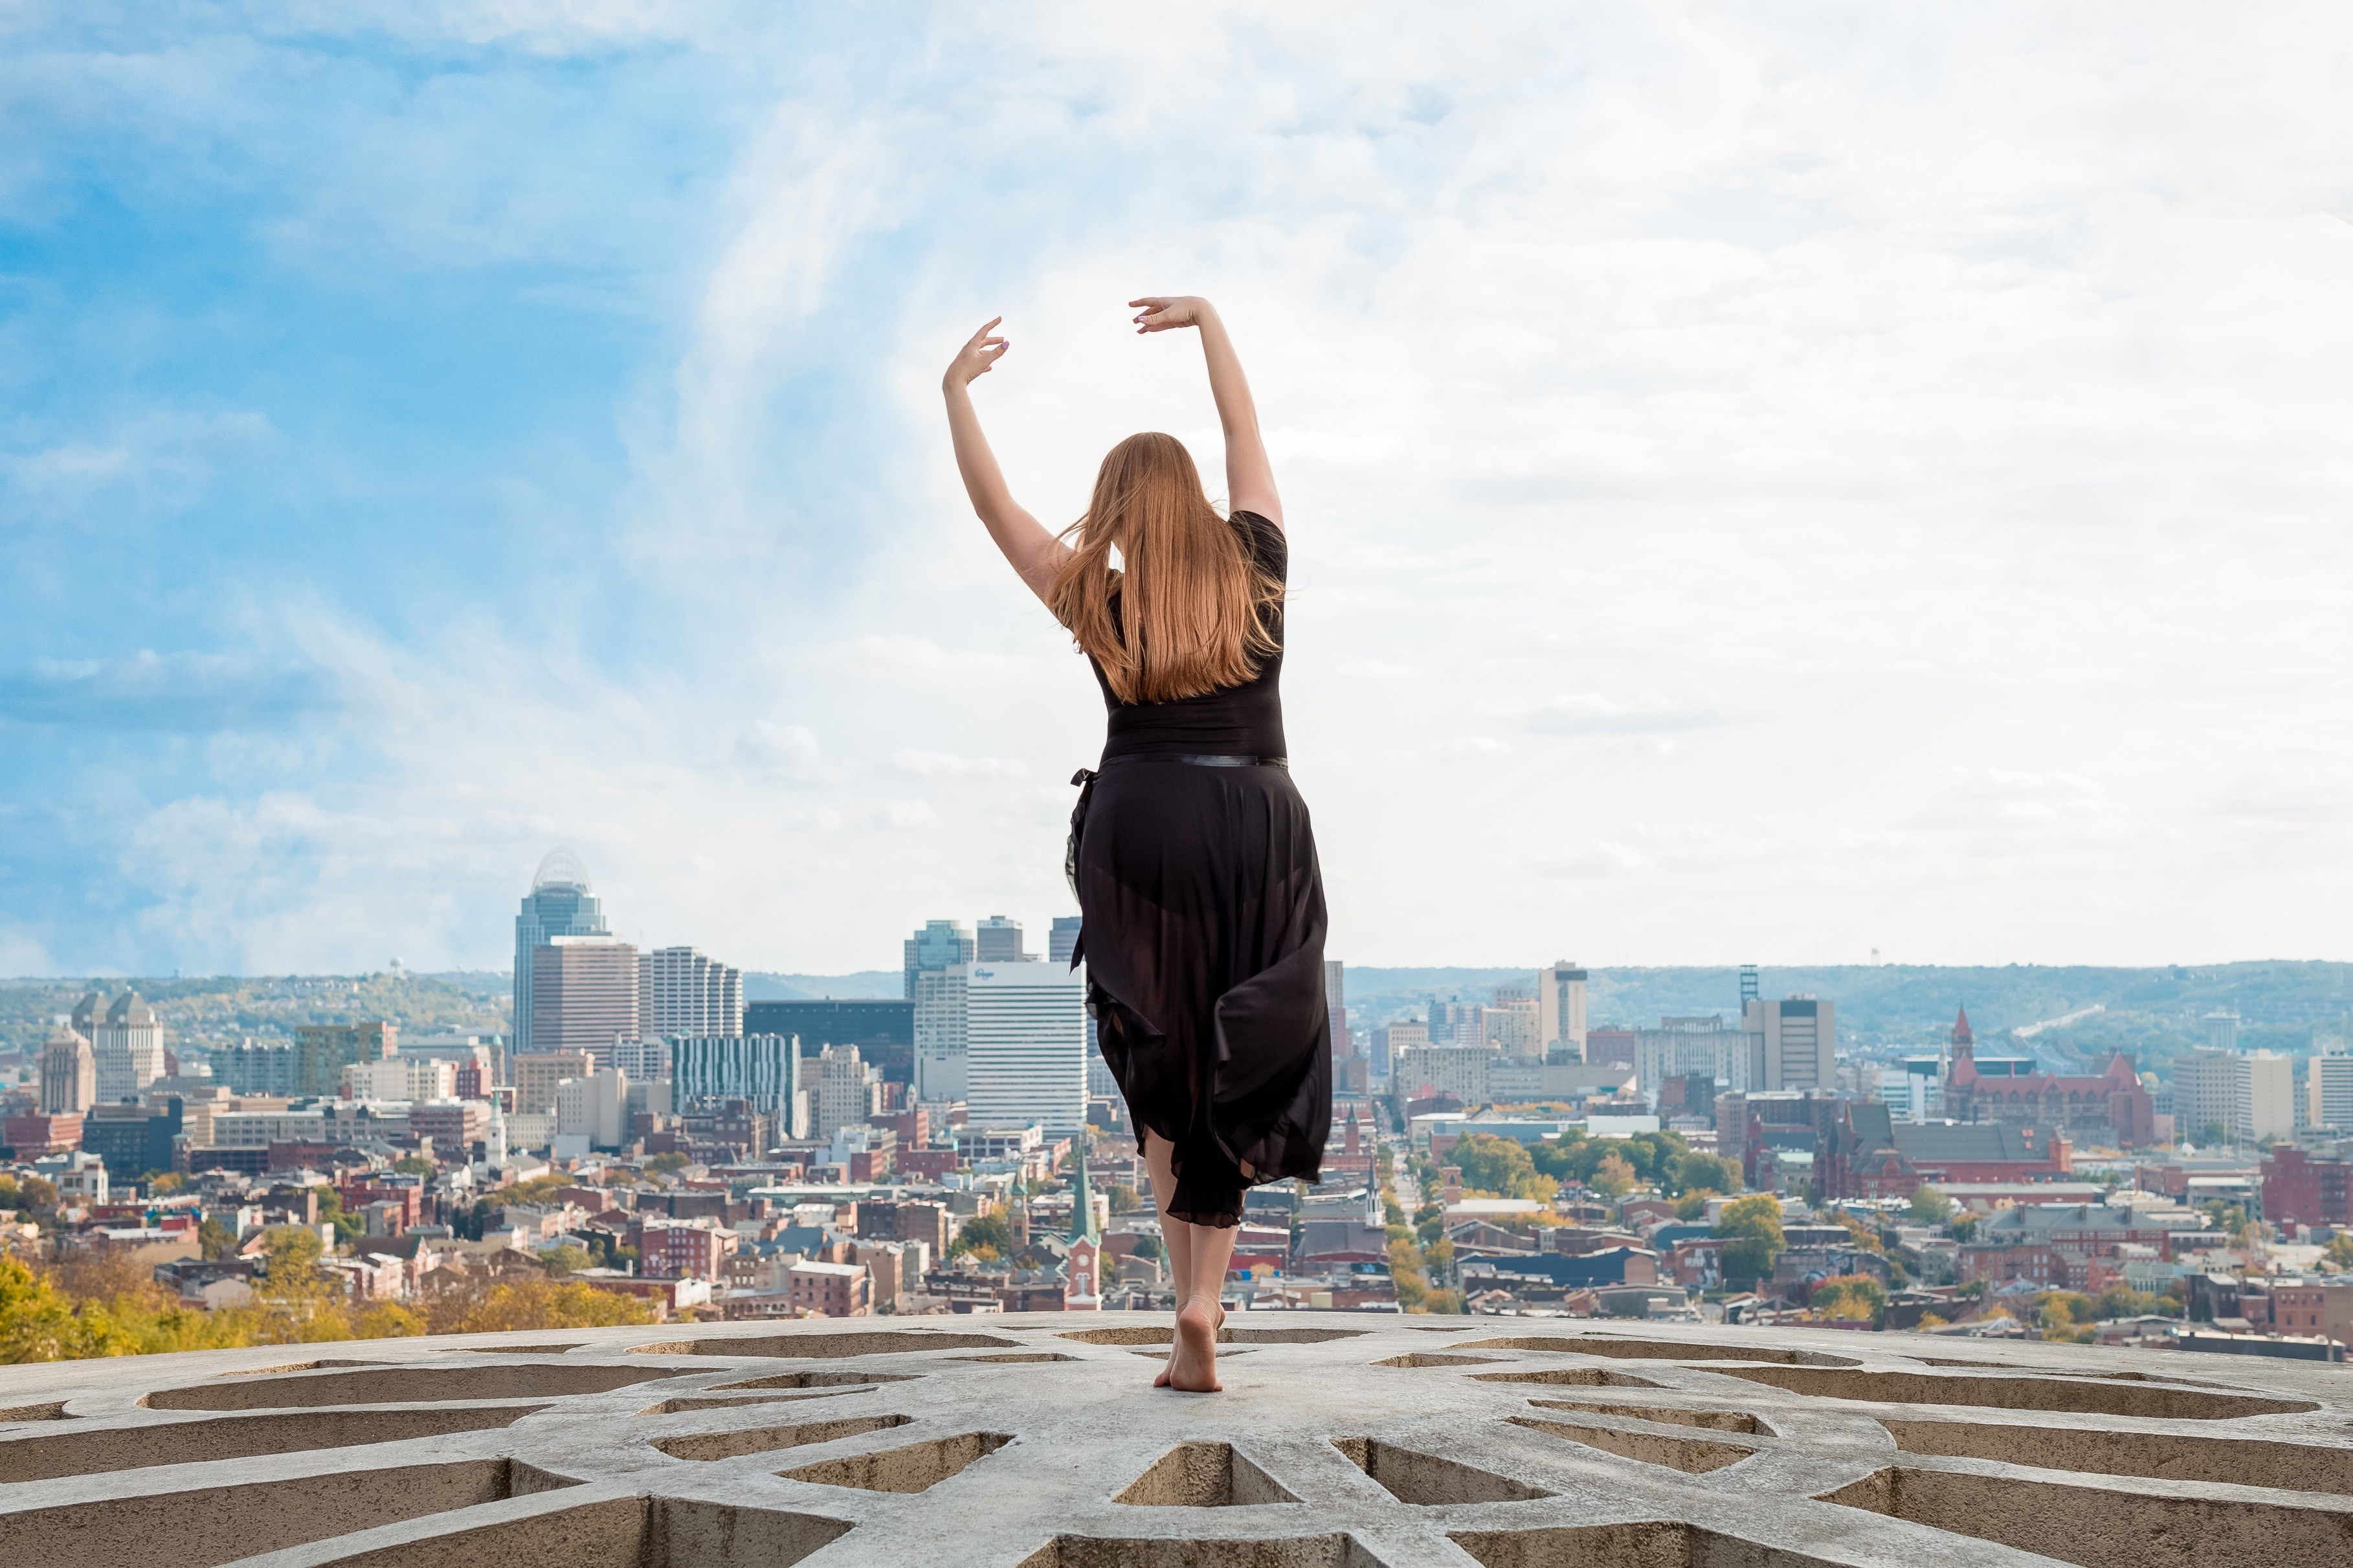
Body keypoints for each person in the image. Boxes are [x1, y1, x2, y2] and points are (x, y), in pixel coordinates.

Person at [943, 296, 1332, 1393]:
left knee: (1164, 1070)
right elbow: (1246, 439)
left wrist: (955, 399)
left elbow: (999, 513)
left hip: (1141, 826)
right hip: (1257, 818)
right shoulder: (1258, 565)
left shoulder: (1096, 601)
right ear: (1197, 503)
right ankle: (1211, 1301)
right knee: (1238, 1057)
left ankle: (1181, 1318)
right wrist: (1212, 326)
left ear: (1115, 511)